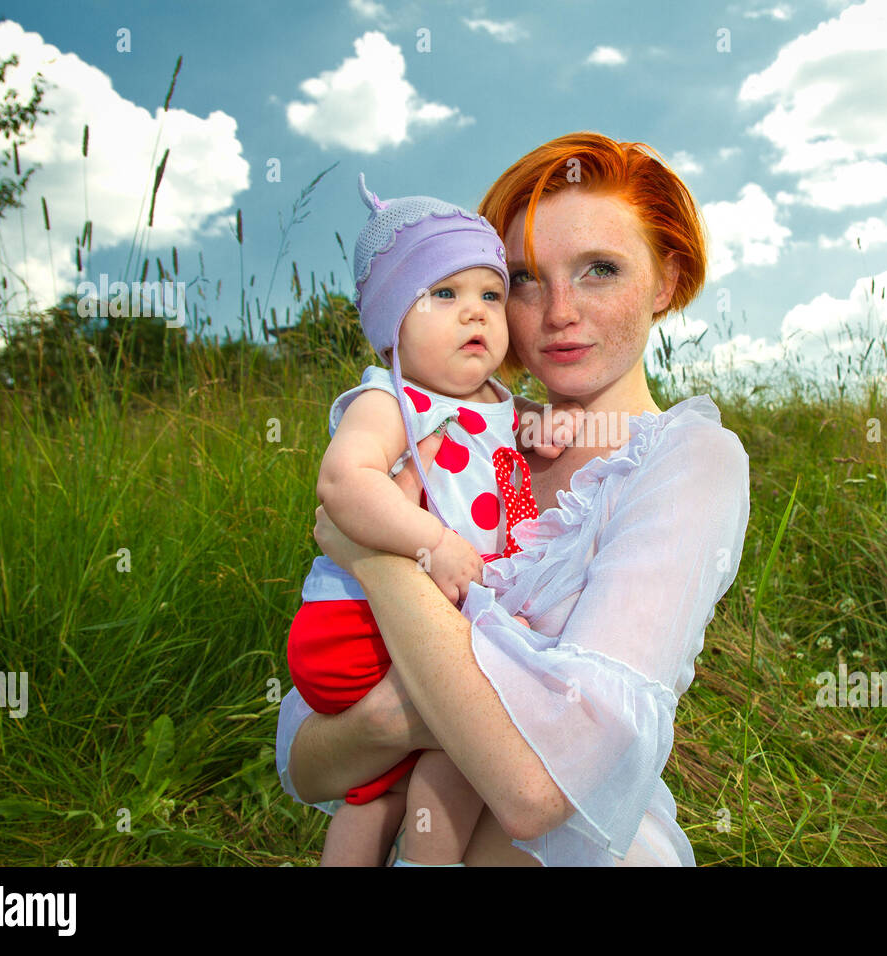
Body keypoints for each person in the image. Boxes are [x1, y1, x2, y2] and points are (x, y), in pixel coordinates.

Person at [275, 131, 752, 866]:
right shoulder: (470, 437)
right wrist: (410, 717)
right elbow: (310, 766)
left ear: (664, 282)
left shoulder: (688, 460)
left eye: (600, 269)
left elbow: (535, 790)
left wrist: (377, 558)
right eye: (525, 279)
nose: (559, 310)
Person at [286, 175, 542, 866]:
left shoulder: (500, 403)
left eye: (491, 295)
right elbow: (345, 482)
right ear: (391, 323)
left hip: (419, 625)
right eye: (445, 295)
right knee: (457, 745)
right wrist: (431, 540)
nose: (476, 314)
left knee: (389, 788)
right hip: (359, 627)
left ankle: (414, 851)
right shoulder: (394, 398)